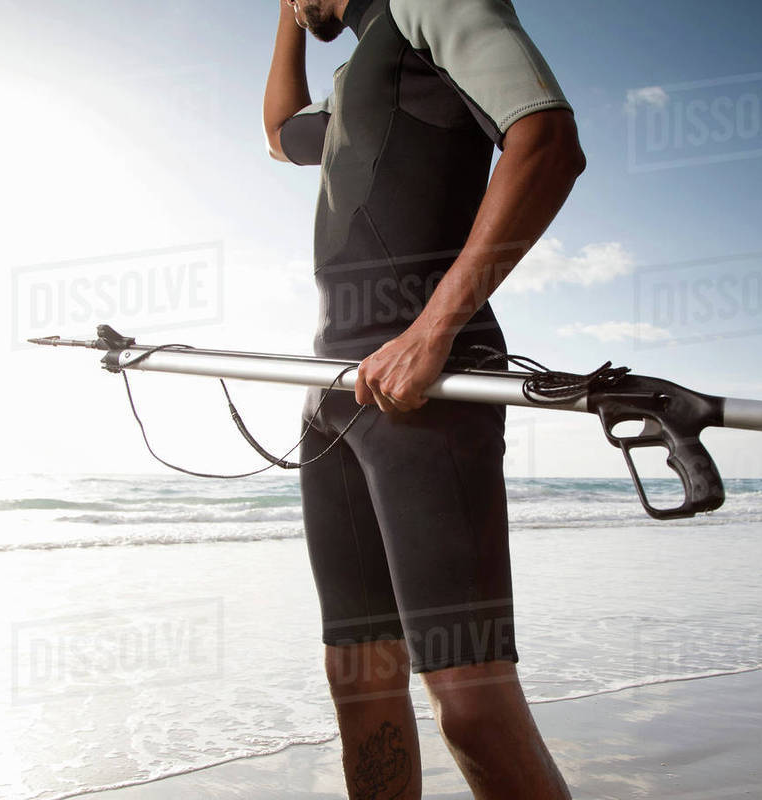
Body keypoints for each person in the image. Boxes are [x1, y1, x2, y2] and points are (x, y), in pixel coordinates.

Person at [263, 0, 585, 797]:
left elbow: (546, 142)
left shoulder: (426, 4)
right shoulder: (353, 74)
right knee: (360, 678)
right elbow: (279, 136)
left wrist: (434, 326)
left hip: (428, 387)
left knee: (470, 699)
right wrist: (286, 15)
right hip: (334, 392)